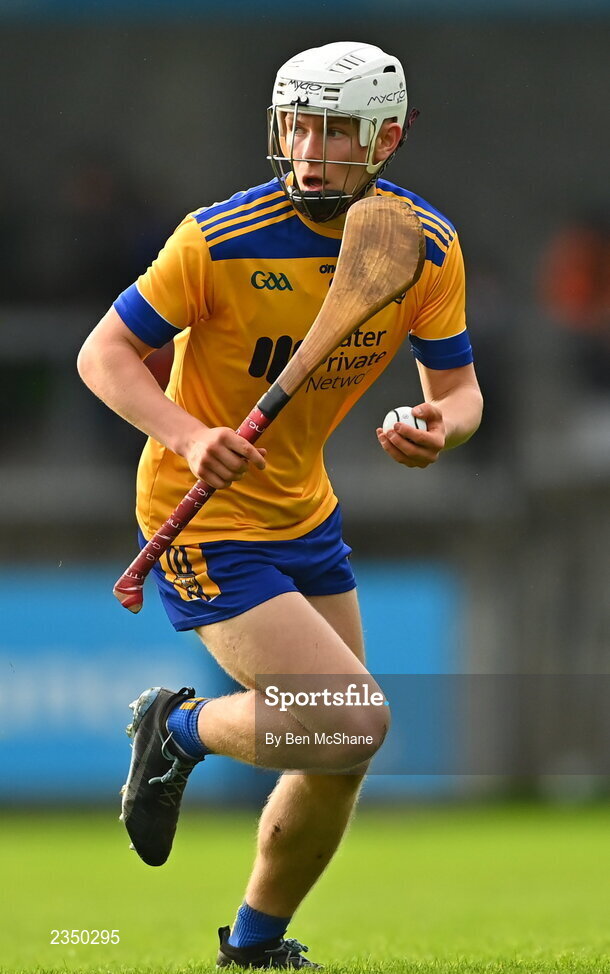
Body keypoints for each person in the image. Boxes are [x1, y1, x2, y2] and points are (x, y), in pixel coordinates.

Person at [77, 41, 483, 969]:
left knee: (338, 750)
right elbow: (101, 354)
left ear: (385, 139)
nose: (308, 147)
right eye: (295, 124)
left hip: (303, 511)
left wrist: (438, 427)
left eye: (334, 130)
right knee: (351, 715)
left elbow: (461, 392)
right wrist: (186, 433)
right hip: (202, 513)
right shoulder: (219, 239)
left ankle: (255, 946)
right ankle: (176, 728)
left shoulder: (423, 246)